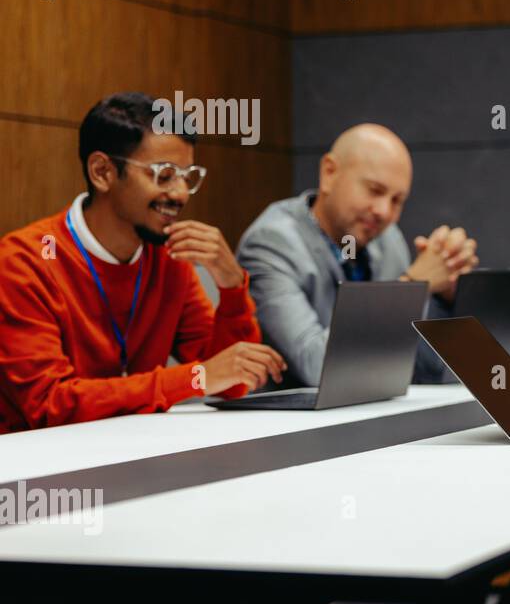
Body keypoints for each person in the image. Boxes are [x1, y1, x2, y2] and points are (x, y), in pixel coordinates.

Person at [0, 92, 283, 433]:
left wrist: (232, 285)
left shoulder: (168, 258)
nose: (180, 194)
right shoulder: (24, 262)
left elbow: (231, 384)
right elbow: (49, 405)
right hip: (35, 471)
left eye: (187, 176)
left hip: (130, 453)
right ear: (102, 172)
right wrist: (193, 378)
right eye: (164, 175)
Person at [236, 123, 479, 387]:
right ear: (329, 173)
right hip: (289, 423)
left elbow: (420, 369)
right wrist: (411, 287)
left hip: (368, 413)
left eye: (397, 200)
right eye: (374, 190)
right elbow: (317, 368)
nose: (385, 211)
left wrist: (445, 297)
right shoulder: (271, 243)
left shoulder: (388, 241)